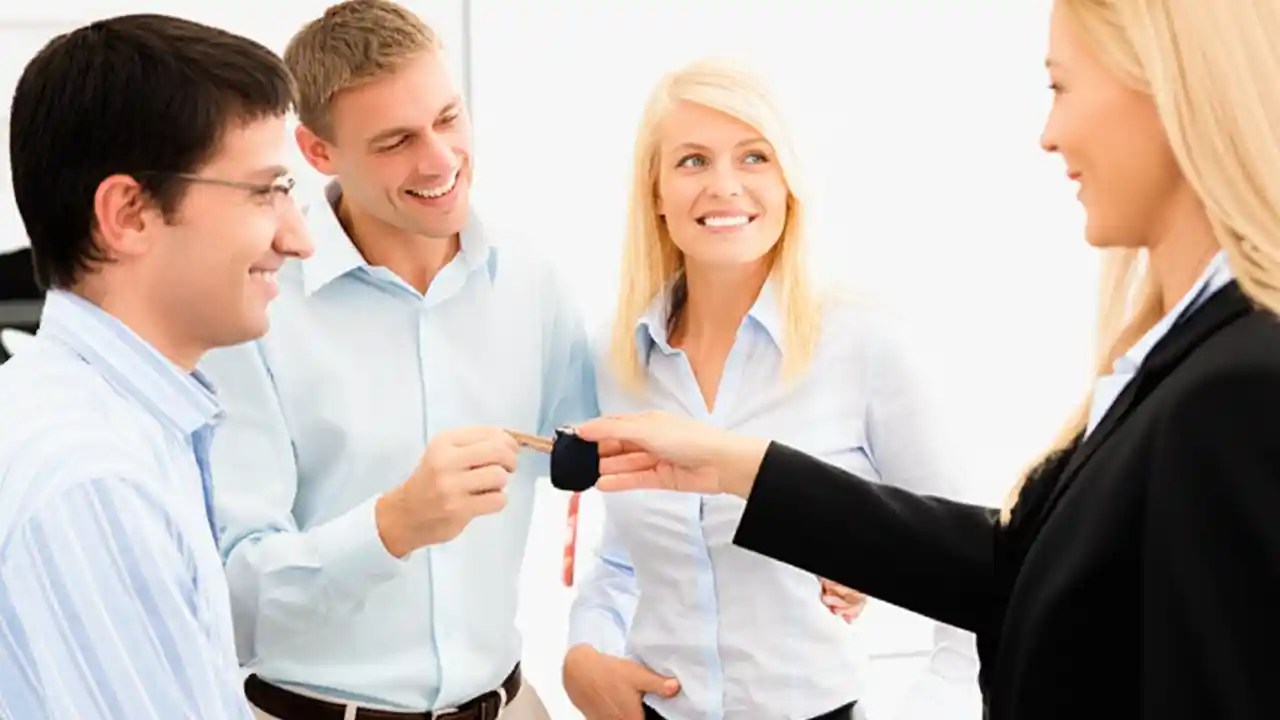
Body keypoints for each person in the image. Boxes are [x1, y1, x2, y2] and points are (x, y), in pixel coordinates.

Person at [572, 2, 1280, 718]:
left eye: (1060, 86)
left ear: (1169, 90)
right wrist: (743, 470)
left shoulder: (1239, 384)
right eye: (693, 160)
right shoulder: (1169, 362)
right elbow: (1015, 564)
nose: (1048, 133)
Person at [196, 1, 592, 718]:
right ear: (318, 152)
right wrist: (394, 525)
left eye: (447, 118)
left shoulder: (532, 282)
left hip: (510, 704)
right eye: (396, 141)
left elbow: (621, 477)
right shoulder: (251, 314)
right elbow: (232, 601)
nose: (439, 159)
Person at [561, 57, 980, 720]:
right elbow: (623, 560)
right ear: (655, 193)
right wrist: (584, 652)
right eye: (693, 161)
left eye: (754, 157)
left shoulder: (864, 344)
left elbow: (973, 575)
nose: (724, 186)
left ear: (789, 183)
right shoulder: (613, 358)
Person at [0, 13, 311, 719]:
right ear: (129, 213)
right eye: (264, 191)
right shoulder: (92, 479)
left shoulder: (111, 424)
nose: (299, 239)